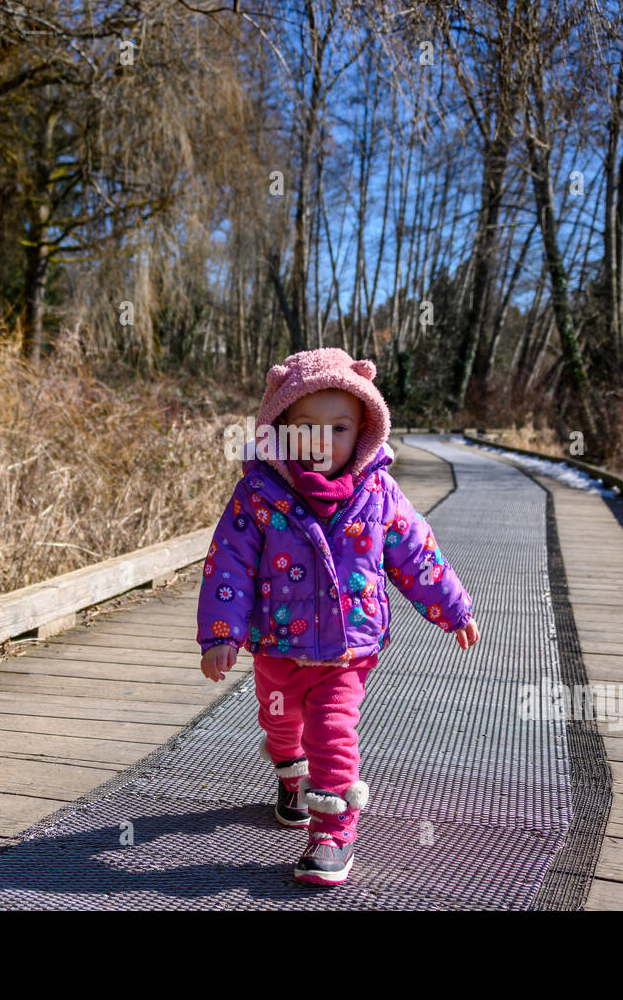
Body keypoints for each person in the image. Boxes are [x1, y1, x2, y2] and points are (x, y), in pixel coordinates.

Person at [197, 347, 479, 886]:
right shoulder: (259, 493)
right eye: (306, 428)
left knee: (331, 730)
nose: (323, 443)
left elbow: (417, 553)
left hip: (349, 648)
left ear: (365, 429)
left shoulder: (378, 494)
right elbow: (228, 563)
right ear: (279, 431)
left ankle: (332, 831)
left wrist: (453, 605)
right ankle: (289, 774)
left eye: (340, 428)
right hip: (277, 644)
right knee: (281, 724)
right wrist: (220, 632)